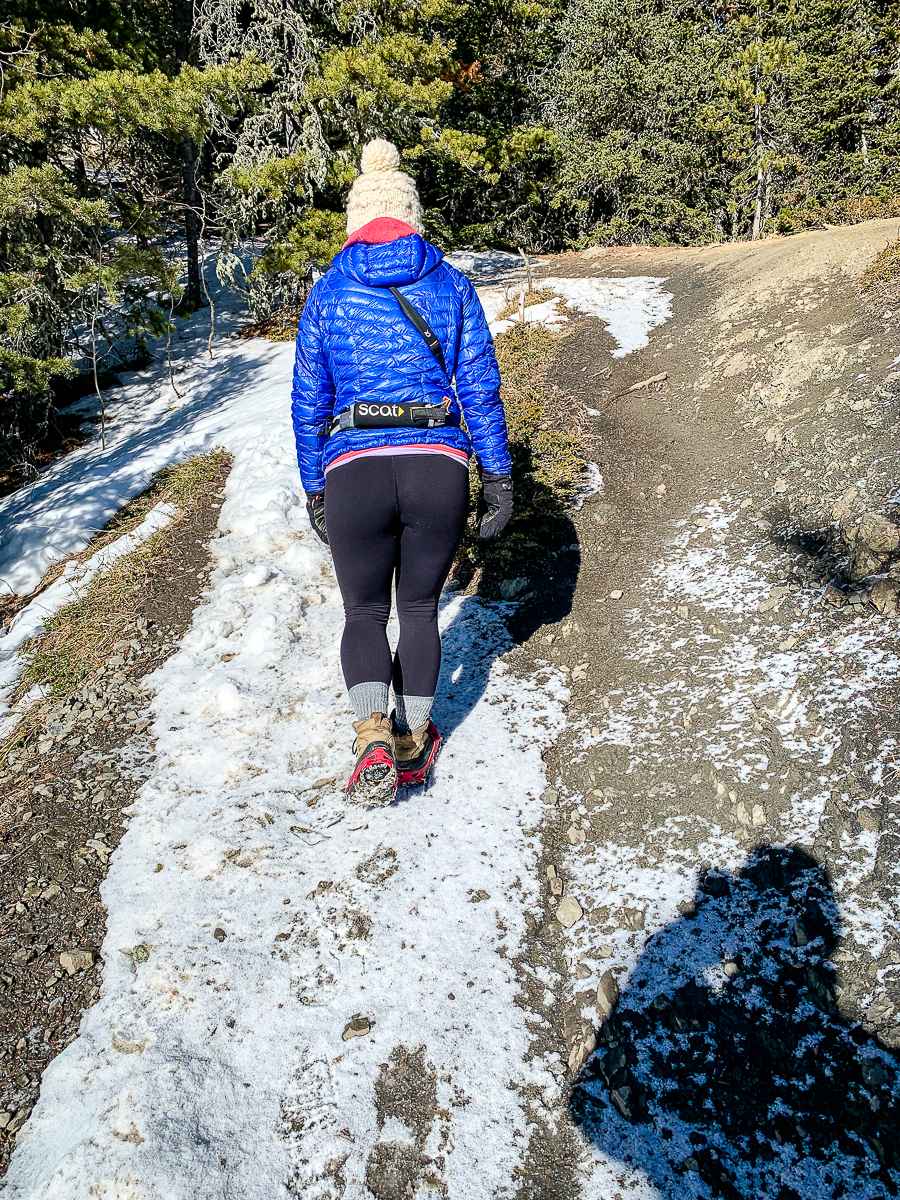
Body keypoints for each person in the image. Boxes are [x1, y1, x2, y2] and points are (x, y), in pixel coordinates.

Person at [290, 138, 513, 806]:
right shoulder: (451, 285)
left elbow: (308, 399)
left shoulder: (328, 292)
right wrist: (499, 476)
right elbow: (480, 388)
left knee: (363, 610)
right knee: (418, 607)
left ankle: (370, 735)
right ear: (413, 215)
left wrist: (315, 484)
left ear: (356, 220)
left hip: (354, 467)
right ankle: (414, 741)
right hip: (435, 464)